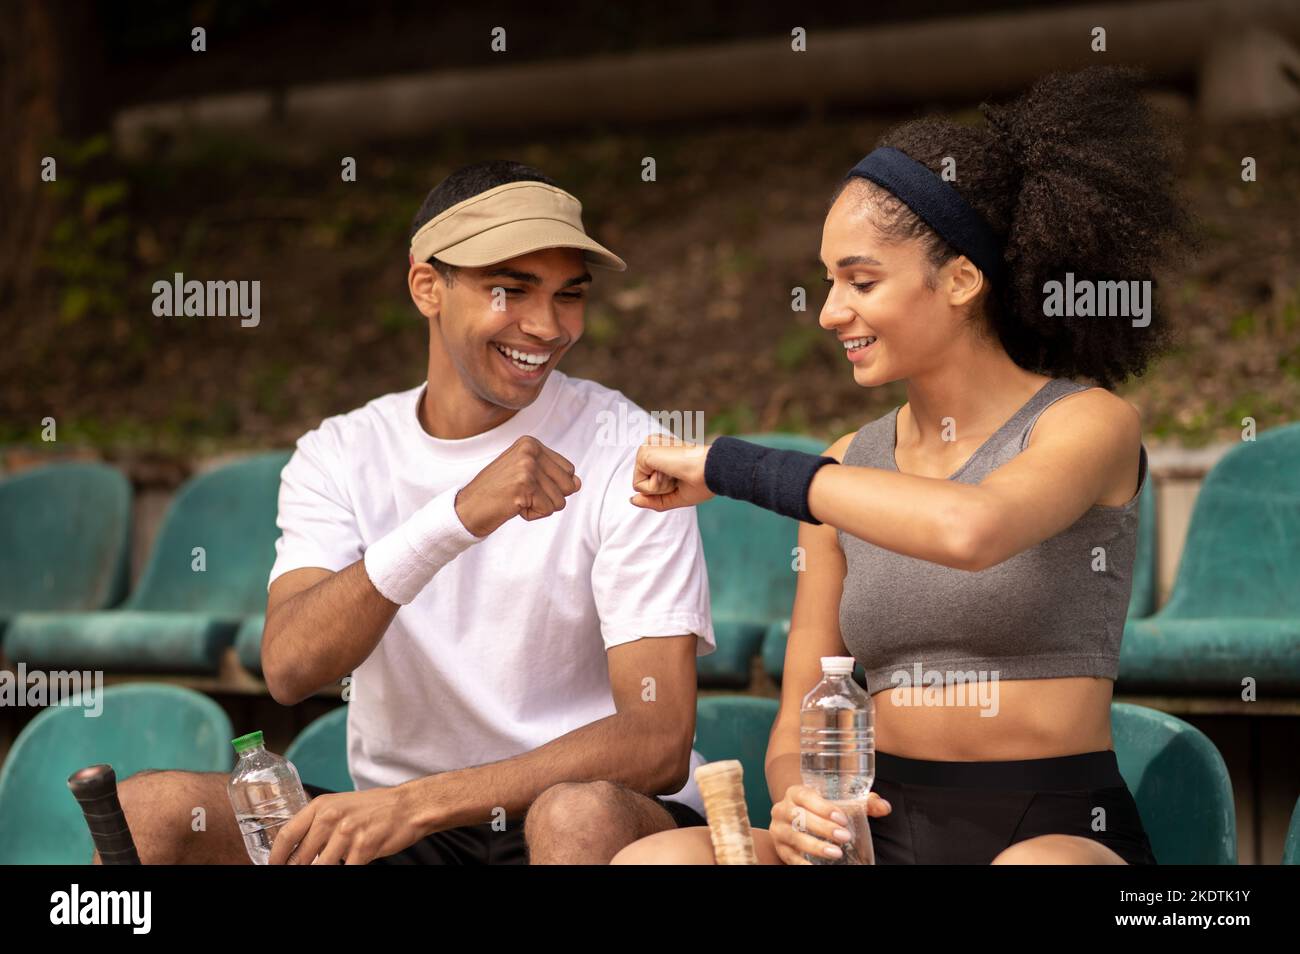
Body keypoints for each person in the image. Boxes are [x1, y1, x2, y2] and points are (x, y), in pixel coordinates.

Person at [613, 67, 1188, 865]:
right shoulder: (850, 464)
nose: (829, 311)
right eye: (827, 282)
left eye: (861, 280)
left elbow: (972, 527)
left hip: (1050, 829)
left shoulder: (1089, 424)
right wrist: (796, 799)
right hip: (874, 825)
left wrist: (733, 467)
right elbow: (797, 723)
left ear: (960, 280)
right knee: (654, 862)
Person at [102, 161, 715, 866]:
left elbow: (658, 736)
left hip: (588, 811)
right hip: (408, 831)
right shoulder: (339, 452)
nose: (547, 326)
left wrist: (418, 802)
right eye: (510, 290)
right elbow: (291, 667)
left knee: (572, 815)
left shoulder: (628, 447)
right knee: (150, 810)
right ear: (428, 286)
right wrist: (452, 518)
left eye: (568, 295)